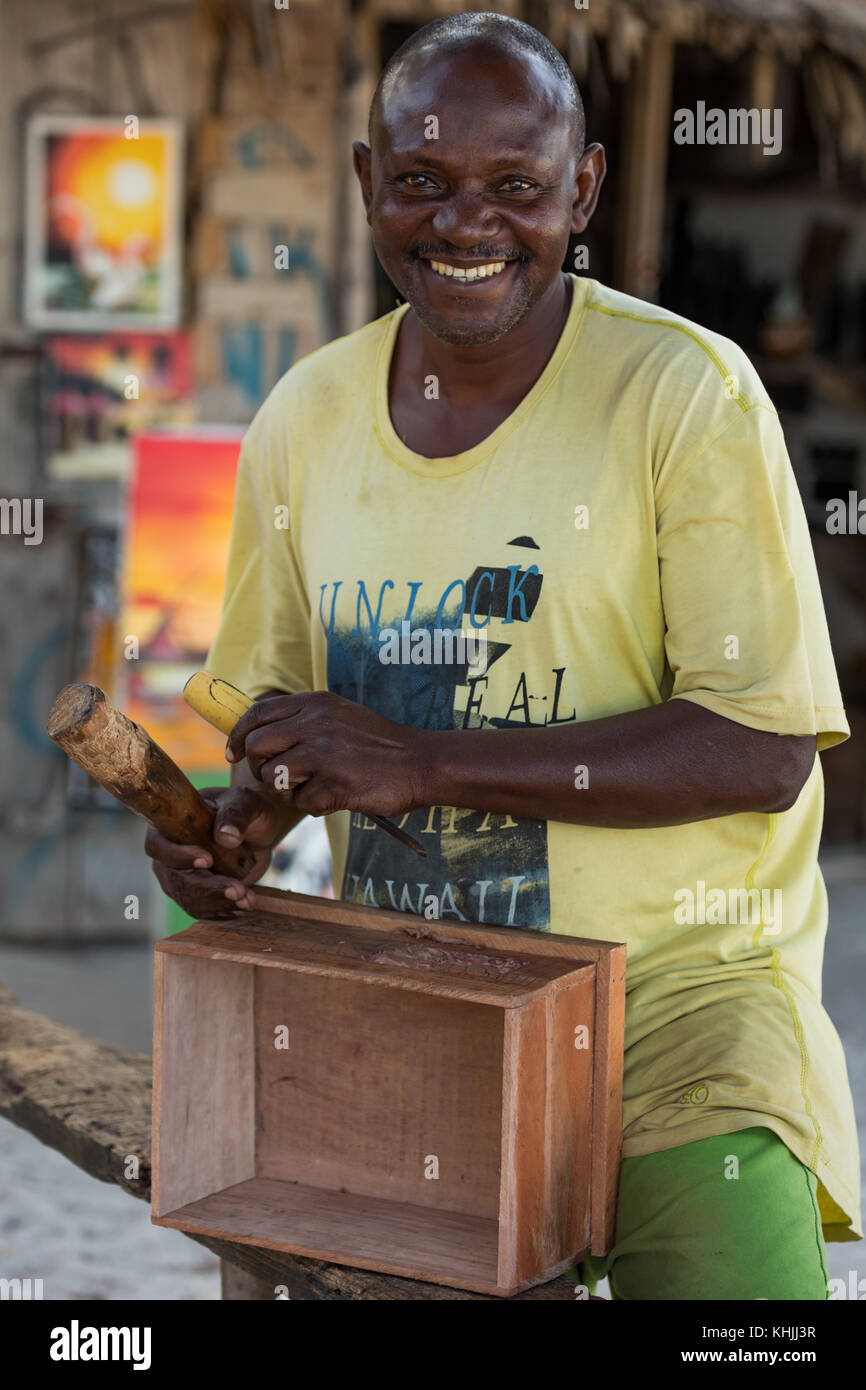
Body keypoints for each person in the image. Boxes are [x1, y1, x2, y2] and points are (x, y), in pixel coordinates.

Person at [146, 12, 860, 1299]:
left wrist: (422, 763)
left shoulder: (684, 396)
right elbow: (280, 728)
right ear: (366, 185)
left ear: (580, 190)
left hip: (679, 1014)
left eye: (514, 187)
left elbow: (759, 750)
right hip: (422, 1008)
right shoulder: (304, 420)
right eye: (420, 181)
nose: (463, 224)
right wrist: (245, 829)